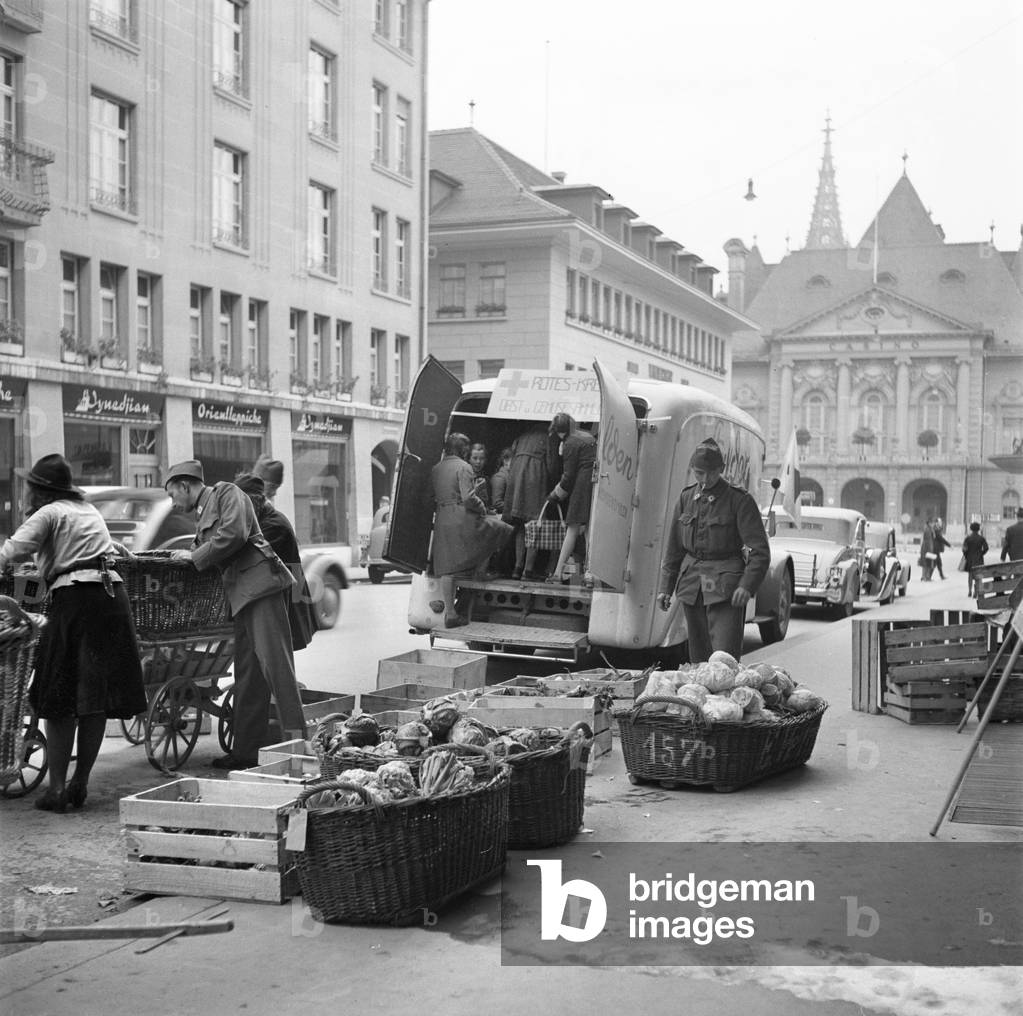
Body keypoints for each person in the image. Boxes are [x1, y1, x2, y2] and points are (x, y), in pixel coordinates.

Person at [0, 454, 146, 812]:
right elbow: (106, 548)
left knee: (58, 698)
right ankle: (79, 784)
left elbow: (11, 551)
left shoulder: (49, 513)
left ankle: (56, 790)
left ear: (40, 491)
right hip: (112, 598)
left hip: (78, 600)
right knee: (95, 700)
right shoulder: (87, 511)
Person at [165, 460, 306, 769]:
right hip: (241, 597)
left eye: (172, 494)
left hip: (261, 590)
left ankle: (300, 752)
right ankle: (246, 753)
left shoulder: (226, 493)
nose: (172, 502)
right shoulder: (204, 512)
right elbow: (206, 551)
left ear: (185, 486)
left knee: (278, 672)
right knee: (248, 677)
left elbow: (234, 534)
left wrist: (194, 556)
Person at [657, 438, 770, 664]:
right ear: (693, 470)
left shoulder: (739, 500)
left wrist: (746, 586)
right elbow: (674, 549)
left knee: (724, 659)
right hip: (692, 587)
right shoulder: (686, 498)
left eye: (712, 473)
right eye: (699, 473)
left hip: (726, 589)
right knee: (698, 659)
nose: (706, 479)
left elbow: (760, 551)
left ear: (722, 469)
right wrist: (665, 588)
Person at [429, 433, 511, 626]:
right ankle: (480, 571)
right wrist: (482, 508)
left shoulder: (436, 468)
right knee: (500, 528)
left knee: (447, 567)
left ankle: (451, 614)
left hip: (442, 517)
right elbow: (468, 498)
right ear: (464, 450)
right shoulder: (464, 467)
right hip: (461, 517)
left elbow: (432, 495)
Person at [234, 472, 317, 655]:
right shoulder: (263, 519)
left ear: (252, 502)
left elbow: (247, 554)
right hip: (277, 595)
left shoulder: (273, 524)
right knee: (271, 652)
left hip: (285, 598)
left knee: (277, 652)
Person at [545, 413, 597, 584]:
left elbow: (568, 477)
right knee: (589, 529)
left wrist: (555, 495)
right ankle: (590, 573)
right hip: (595, 483)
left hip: (582, 486)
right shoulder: (585, 436)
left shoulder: (569, 443)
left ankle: (558, 573)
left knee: (573, 527)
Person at [502, 424, 551, 580]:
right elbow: (551, 465)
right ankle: (528, 570)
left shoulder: (522, 437)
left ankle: (517, 568)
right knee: (535, 526)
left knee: (521, 525)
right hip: (535, 479)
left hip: (517, 480)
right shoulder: (547, 437)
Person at [961, 522, 989, 596]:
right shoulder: (981, 538)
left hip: (970, 559)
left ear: (971, 529)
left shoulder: (968, 538)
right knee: (978, 576)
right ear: (978, 529)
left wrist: (966, 555)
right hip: (979, 559)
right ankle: (975, 592)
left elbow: (964, 549)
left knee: (970, 575)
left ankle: (969, 591)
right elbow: (986, 548)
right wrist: (981, 554)